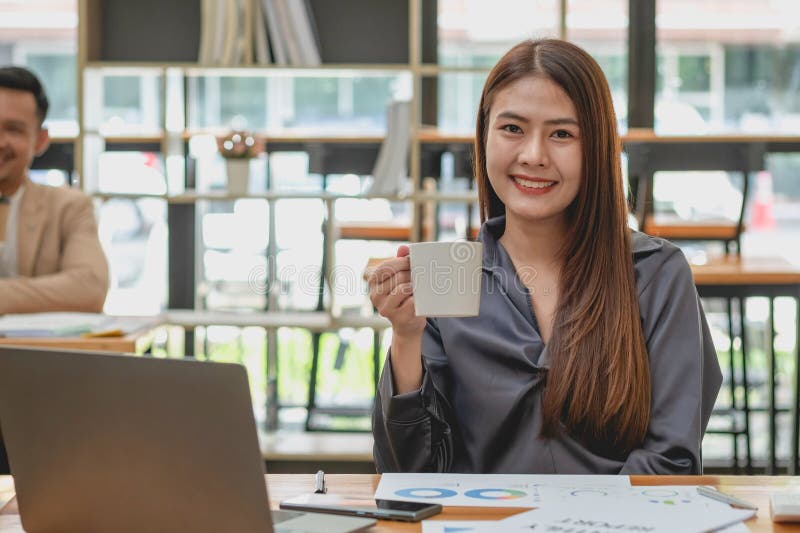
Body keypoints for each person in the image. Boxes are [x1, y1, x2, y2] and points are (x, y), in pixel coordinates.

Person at [369, 39, 722, 475]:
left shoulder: (656, 275)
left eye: (562, 134)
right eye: (512, 129)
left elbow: (673, 461)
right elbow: (411, 474)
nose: (533, 156)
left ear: (597, 147)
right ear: (483, 137)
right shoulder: (449, 276)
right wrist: (406, 337)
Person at [0, 66, 109, 315]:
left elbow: (89, 289)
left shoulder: (69, 207)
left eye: (13, 129)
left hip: (36, 354)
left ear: (40, 140)